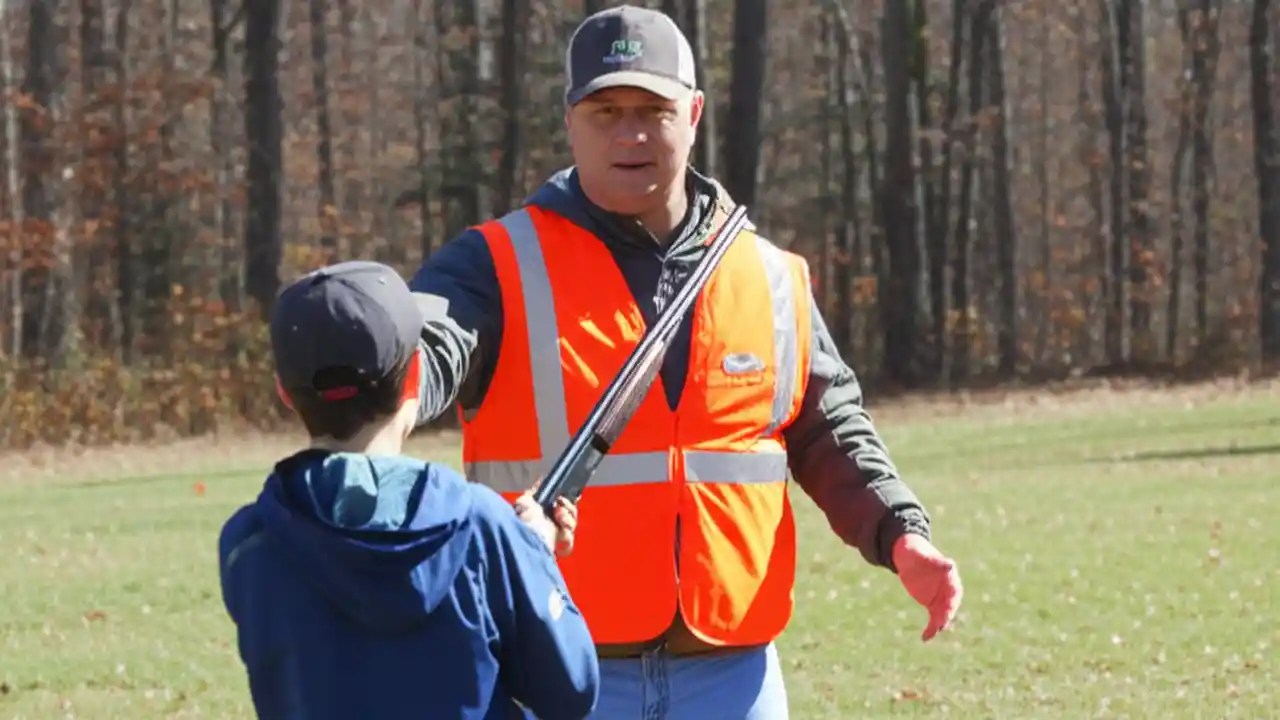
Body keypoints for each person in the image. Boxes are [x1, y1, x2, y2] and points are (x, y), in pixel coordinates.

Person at [408, 5, 964, 718]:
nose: (631, 132)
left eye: (653, 108)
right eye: (605, 110)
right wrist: (370, 365)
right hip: (557, 672)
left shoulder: (769, 275)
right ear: (569, 118)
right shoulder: (495, 263)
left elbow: (828, 428)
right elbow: (425, 347)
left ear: (694, 112)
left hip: (734, 677)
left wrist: (901, 533)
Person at [217, 260, 600, 720]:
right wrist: (533, 553)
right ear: (417, 374)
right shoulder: (480, 525)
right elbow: (571, 688)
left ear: (284, 393)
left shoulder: (249, 541)